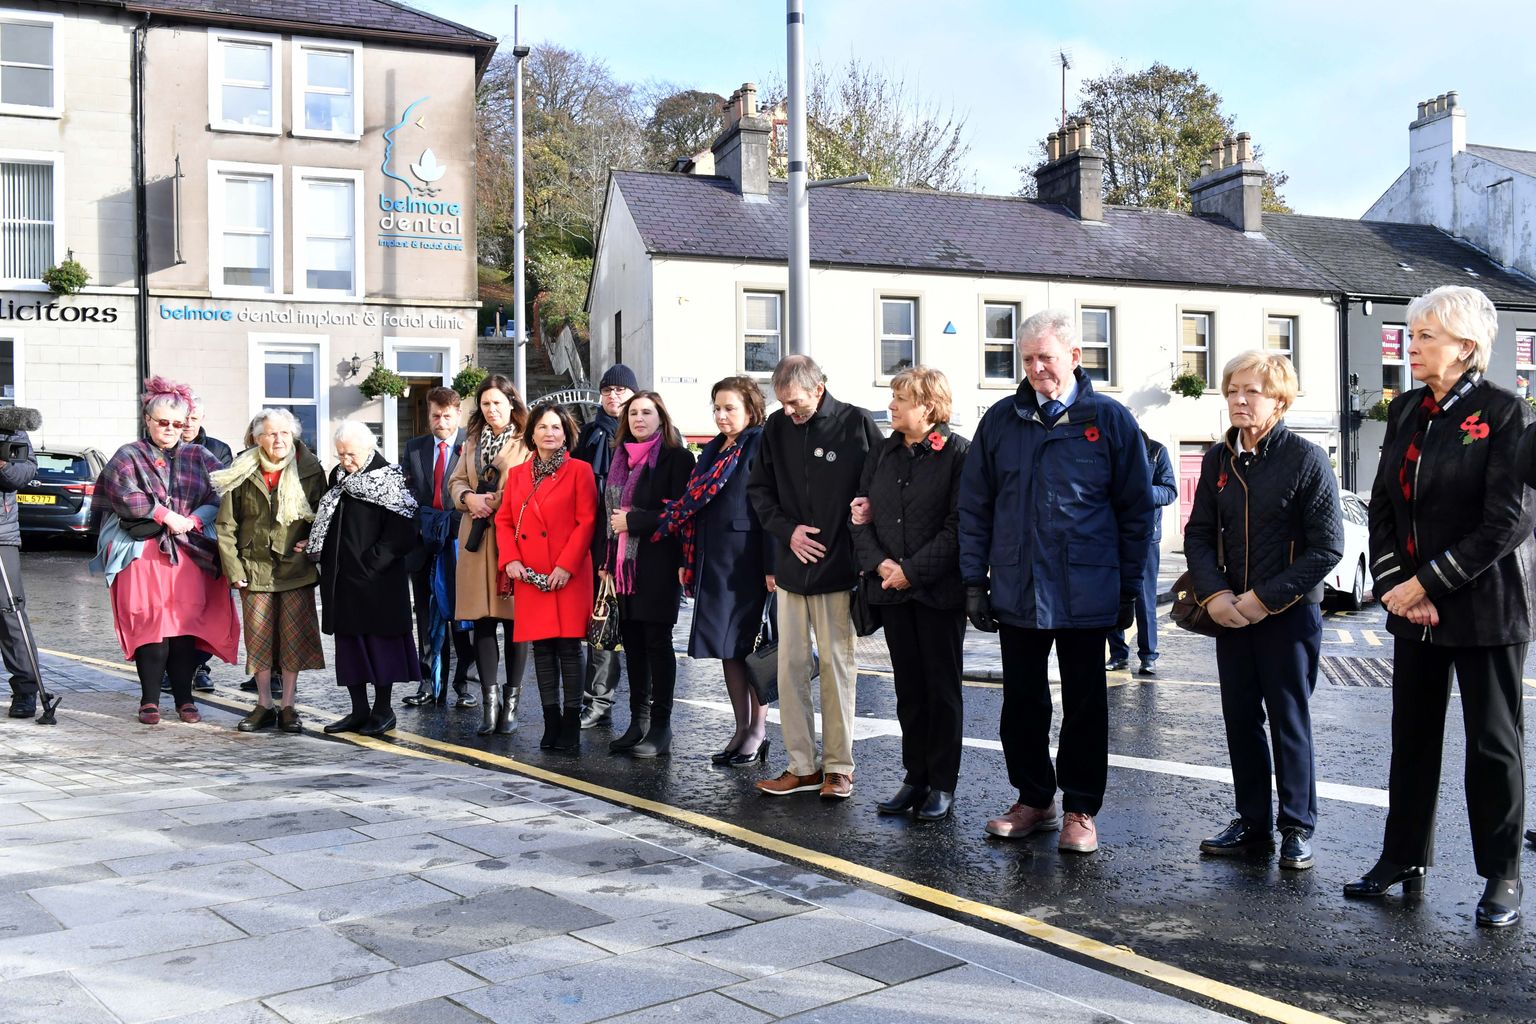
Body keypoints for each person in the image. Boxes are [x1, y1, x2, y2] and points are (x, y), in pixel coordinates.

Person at [1347, 285, 1536, 928]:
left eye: (1426, 335)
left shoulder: (1506, 413)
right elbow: (1382, 504)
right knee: (1412, 737)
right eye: (1412, 333)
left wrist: (1428, 584)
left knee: (1493, 744)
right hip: (1414, 605)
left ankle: (1502, 875)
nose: (1412, 345)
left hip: (1488, 607)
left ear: (1465, 346)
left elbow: (1507, 521)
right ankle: (1403, 857)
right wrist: (1401, 585)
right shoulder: (1406, 409)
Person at [958, 309, 1153, 854]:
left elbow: (1136, 511)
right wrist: (974, 581)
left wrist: (1128, 588)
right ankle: (1034, 799)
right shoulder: (1001, 421)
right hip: (1018, 585)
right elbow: (974, 507)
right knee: (1022, 701)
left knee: (1086, 705)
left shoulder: (1109, 420)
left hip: (1086, 587)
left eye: (1046, 357)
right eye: (1027, 359)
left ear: (1074, 357)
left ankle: (1080, 809)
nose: (1036, 368)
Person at [1184, 352, 1342, 872]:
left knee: (1288, 719)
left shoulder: (1306, 458)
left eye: (1251, 391)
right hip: (1230, 612)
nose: (1239, 400)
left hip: (1288, 615)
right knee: (1240, 718)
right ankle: (1252, 822)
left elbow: (1327, 548)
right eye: (1232, 390)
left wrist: (1263, 599)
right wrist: (1215, 596)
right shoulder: (1217, 459)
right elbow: (1198, 535)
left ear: (1279, 400)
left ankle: (1296, 825)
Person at [748, 355, 882, 799]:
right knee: (789, 670)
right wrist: (788, 532)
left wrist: (868, 511)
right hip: (792, 569)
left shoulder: (856, 423)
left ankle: (839, 768)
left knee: (837, 669)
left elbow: (880, 483)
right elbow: (759, 491)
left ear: (818, 388)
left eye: (795, 402)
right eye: (782, 402)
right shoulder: (776, 427)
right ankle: (802, 766)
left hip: (838, 569)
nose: (788, 410)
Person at [849, 368, 969, 822]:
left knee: (942, 691)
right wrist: (881, 565)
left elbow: (959, 527)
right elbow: (859, 515)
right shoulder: (882, 452)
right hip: (891, 590)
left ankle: (942, 784)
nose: (892, 405)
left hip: (937, 592)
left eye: (901, 398)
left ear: (929, 407)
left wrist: (910, 573)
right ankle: (914, 777)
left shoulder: (958, 454)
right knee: (908, 690)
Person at [90, 378, 240, 723]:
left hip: (190, 553)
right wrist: (164, 514)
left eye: (177, 423)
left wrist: (195, 519)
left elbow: (224, 492)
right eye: (163, 422)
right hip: (143, 553)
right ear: (148, 420)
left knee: (185, 629)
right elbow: (121, 492)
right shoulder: (129, 454)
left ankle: (186, 700)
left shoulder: (199, 455)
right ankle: (149, 701)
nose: (170, 429)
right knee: (151, 627)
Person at [655, 376, 772, 765]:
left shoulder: (759, 442)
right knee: (727, 649)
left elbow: (771, 508)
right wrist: (685, 561)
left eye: (729, 408)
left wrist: (772, 565)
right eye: (717, 408)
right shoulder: (713, 448)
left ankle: (758, 731)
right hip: (712, 560)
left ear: (750, 409)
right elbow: (694, 506)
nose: (721, 416)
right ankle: (741, 728)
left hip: (747, 563)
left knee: (751, 649)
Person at [212, 409, 328, 734]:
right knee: (259, 638)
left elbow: (325, 514)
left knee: (293, 638)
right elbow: (226, 524)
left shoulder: (310, 468)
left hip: (296, 566)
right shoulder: (242, 469)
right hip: (254, 567)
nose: (279, 439)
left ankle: (288, 706)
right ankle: (264, 704)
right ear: (257, 438)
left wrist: (313, 540)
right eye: (271, 434)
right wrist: (234, 568)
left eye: (284, 433)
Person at [497, 402, 597, 752]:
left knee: (569, 647)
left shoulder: (580, 470)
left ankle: (571, 723)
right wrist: (510, 559)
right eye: (542, 427)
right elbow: (504, 521)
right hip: (531, 572)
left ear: (566, 434)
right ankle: (550, 721)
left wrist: (566, 565)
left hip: (568, 572)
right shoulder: (518, 474)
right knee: (541, 648)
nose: (549, 433)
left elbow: (587, 521)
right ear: (532, 433)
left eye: (556, 427)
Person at [311, 422, 421, 737]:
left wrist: (372, 563)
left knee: (380, 647)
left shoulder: (390, 478)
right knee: (350, 649)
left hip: (378, 582)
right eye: (341, 454)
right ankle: (359, 710)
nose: (345, 461)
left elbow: (404, 530)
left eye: (351, 454)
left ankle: (383, 711)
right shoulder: (339, 477)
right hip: (343, 579)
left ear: (369, 448)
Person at [601, 390, 695, 757]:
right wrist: (605, 561)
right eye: (633, 413)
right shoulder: (619, 457)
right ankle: (637, 722)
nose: (639, 419)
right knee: (633, 645)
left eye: (647, 412)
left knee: (657, 643)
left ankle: (660, 726)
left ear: (661, 418)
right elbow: (607, 517)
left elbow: (680, 512)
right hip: (622, 566)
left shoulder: (677, 457)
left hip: (658, 565)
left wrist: (634, 521)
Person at [449, 375, 532, 736]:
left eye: (497, 402)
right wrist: (469, 498)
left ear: (512, 403)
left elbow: (530, 485)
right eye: (485, 403)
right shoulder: (470, 441)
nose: (491, 409)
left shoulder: (526, 442)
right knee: (481, 622)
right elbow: (455, 481)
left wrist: (492, 501)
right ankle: (490, 705)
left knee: (515, 624)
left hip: (513, 541)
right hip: (476, 541)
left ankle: (511, 706)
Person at [401, 386, 477, 709]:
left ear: (458, 414)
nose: (441, 422)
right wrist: (423, 523)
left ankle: (464, 683)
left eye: (447, 416)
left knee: (462, 617)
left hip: (459, 543)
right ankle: (429, 684)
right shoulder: (414, 448)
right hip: (423, 544)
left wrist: (450, 523)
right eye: (435, 416)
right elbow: (408, 493)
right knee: (426, 616)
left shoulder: (471, 446)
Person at [575, 363, 637, 729]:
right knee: (604, 621)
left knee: (642, 632)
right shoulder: (591, 435)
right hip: (602, 542)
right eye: (607, 390)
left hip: (641, 542)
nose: (613, 396)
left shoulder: (653, 433)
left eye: (620, 390)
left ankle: (644, 712)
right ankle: (598, 701)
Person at [1106, 430, 1177, 675]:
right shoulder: (1111, 450)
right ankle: (1118, 655)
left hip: (1146, 538)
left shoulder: (1157, 451)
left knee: (1145, 600)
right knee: (1112, 597)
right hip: (1112, 535)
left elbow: (1169, 491)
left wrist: (1142, 490)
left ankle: (1148, 656)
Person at [179, 394, 232, 693]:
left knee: (205, 605)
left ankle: (200, 667)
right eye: (184, 418)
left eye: (193, 418)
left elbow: (224, 491)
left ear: (201, 419)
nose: (187, 424)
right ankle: (172, 667)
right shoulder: (164, 446)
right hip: (171, 532)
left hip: (206, 532)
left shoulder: (218, 449)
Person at [0, 409, 42, 719]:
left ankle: (26, 688)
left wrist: (2, 464)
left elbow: (24, 473)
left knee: (9, 612)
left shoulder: (8, 425)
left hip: (1, 535)